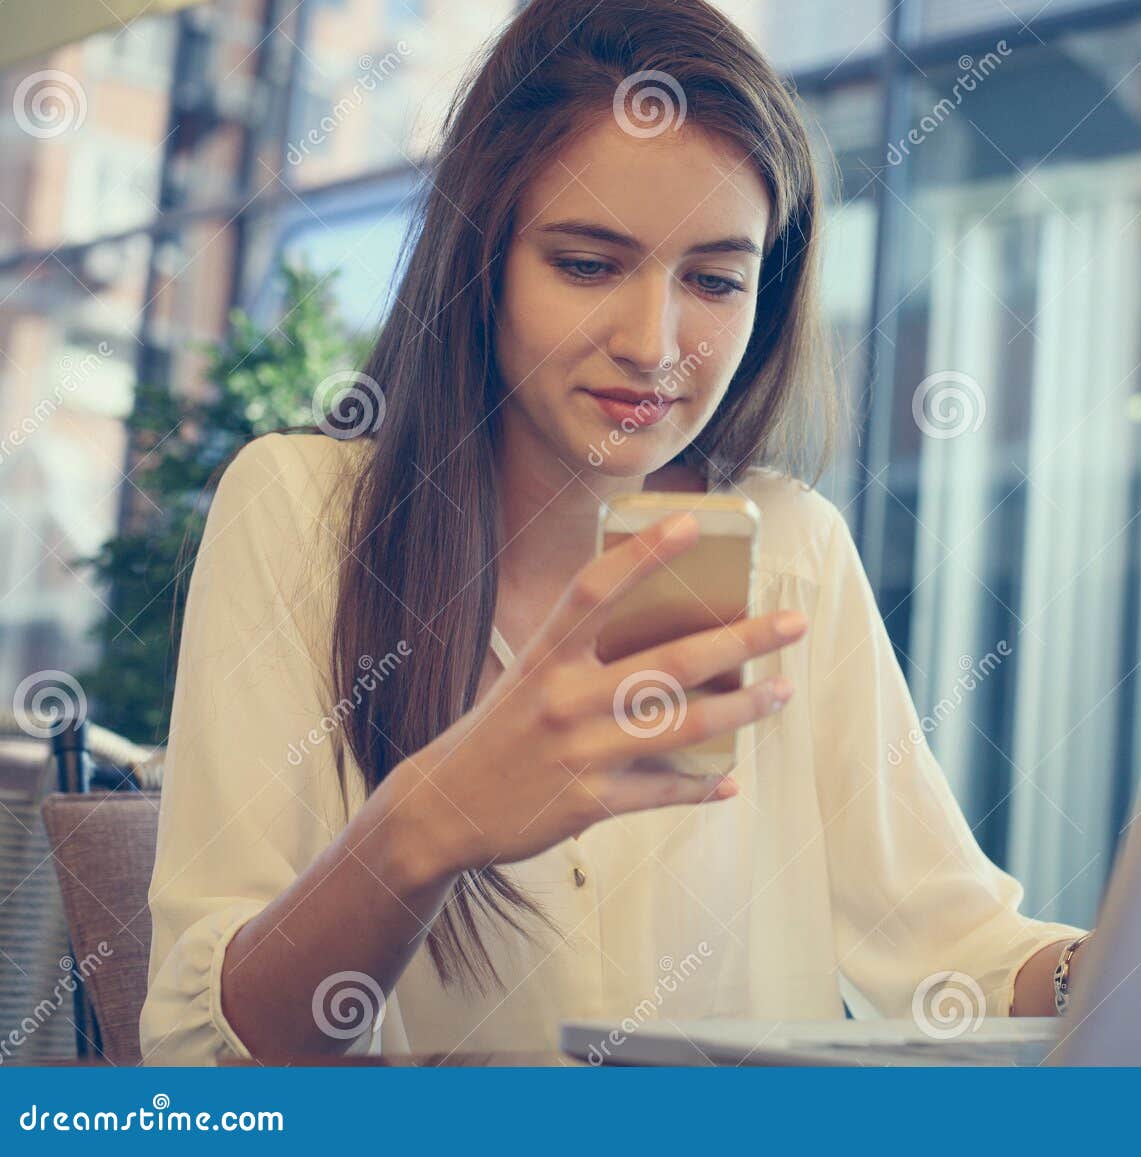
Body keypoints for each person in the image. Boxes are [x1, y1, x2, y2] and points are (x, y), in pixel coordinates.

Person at [139, 0, 1089, 1064]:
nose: (655, 345)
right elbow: (203, 1052)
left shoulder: (790, 544)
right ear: (479, 259)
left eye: (715, 280)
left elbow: (951, 944)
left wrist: (1106, 966)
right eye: (587, 264)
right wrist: (423, 824)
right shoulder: (302, 511)